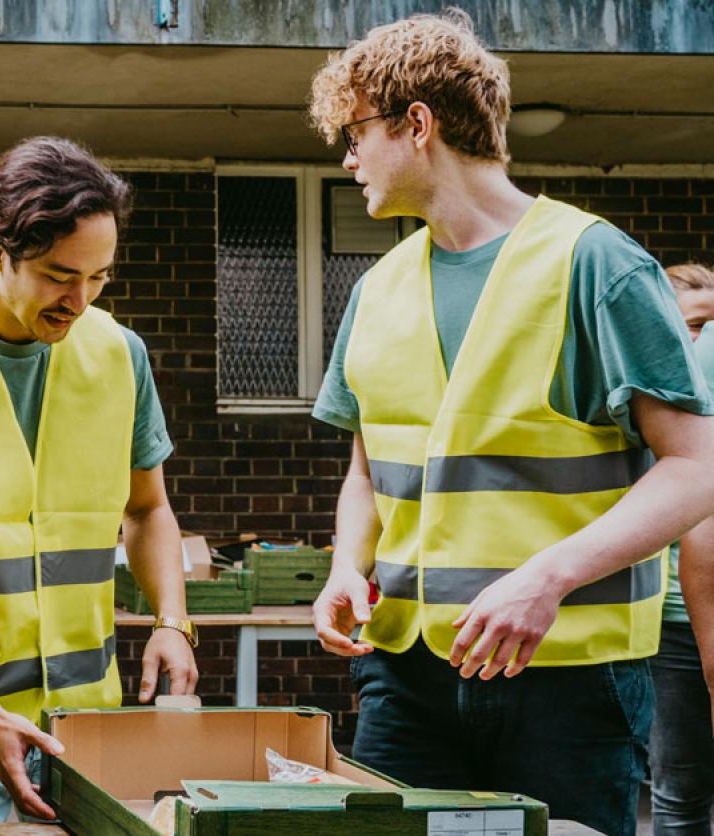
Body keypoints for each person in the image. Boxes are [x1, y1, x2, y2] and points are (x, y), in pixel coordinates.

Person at [305, 12, 714, 836]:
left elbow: (697, 467)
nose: (346, 159)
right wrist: (347, 567)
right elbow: (366, 471)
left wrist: (547, 579)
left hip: (568, 676)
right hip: (407, 677)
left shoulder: (596, 265)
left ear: (415, 124)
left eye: (354, 134)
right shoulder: (374, 289)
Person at [0, 137, 198, 823]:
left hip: (85, 726)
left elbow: (148, 510)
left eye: (98, 278)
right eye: (61, 275)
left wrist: (171, 620)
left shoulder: (121, 354)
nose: (79, 299)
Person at [649, 262, 714, 835]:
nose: (704, 343)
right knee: (679, 785)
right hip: (671, 624)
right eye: (694, 327)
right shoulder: (652, 411)